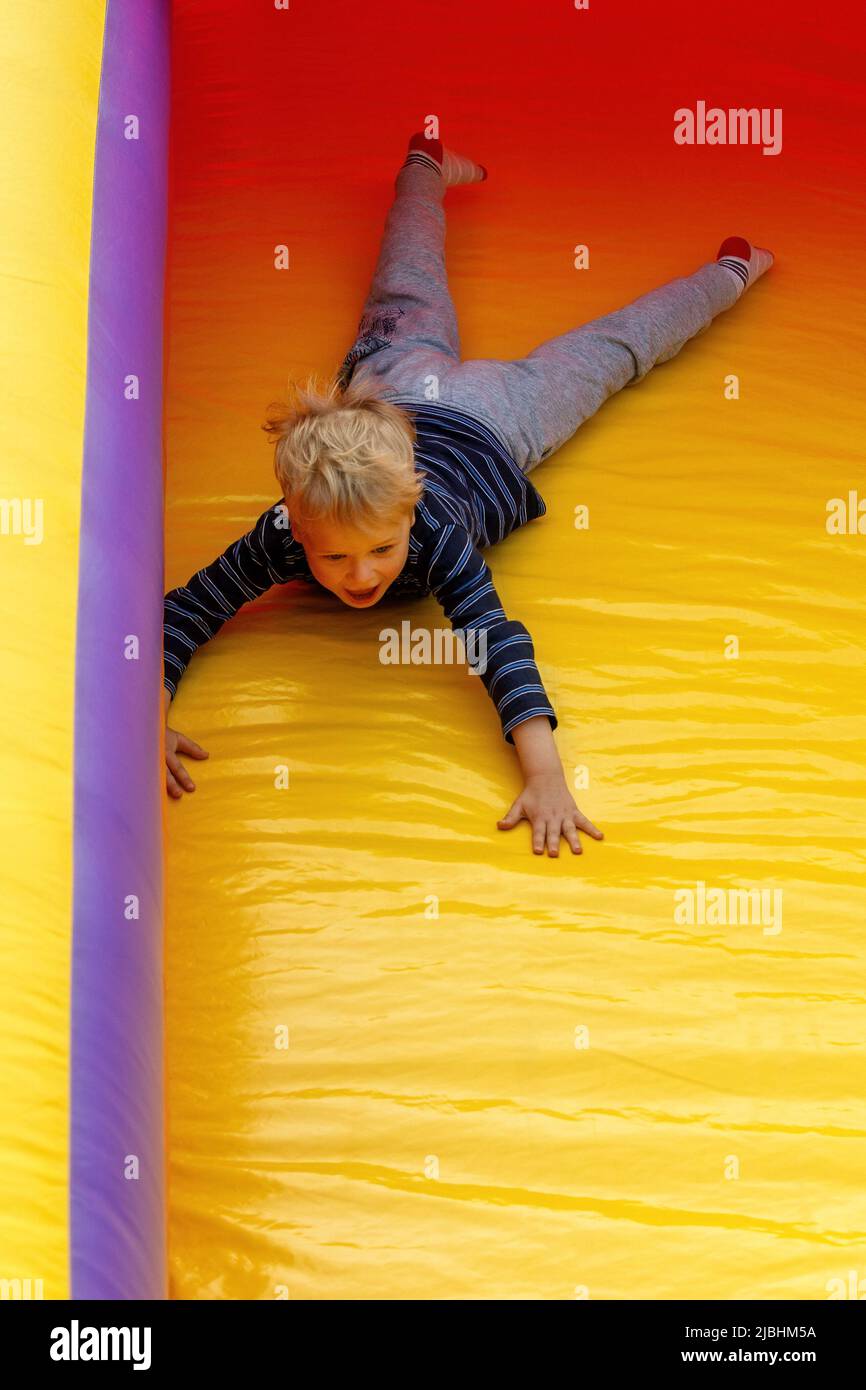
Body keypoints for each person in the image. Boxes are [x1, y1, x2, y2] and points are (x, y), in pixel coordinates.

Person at [163, 130, 773, 856]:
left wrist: (544, 773)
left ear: (414, 505)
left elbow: (496, 641)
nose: (360, 575)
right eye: (334, 559)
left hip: (494, 416)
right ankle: (424, 167)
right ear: (295, 526)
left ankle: (728, 275)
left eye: (381, 549)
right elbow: (183, 611)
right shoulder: (281, 536)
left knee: (610, 354)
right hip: (389, 386)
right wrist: (149, 714)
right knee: (403, 281)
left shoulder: (433, 535)